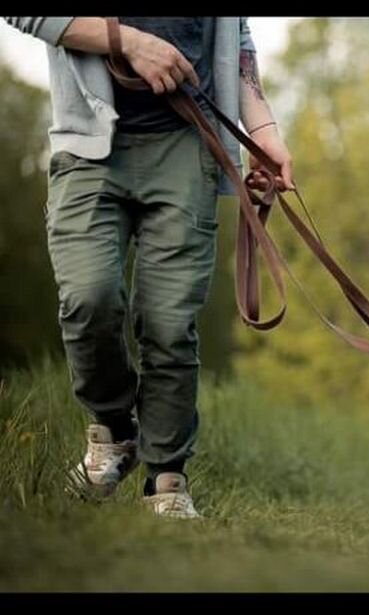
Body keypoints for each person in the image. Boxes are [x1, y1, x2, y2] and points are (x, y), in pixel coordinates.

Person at [2, 17, 293, 518]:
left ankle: (167, 478)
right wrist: (129, 42)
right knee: (88, 297)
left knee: (169, 322)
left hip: (189, 143)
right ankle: (113, 429)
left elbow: (234, 34)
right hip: (89, 148)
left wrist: (263, 131)